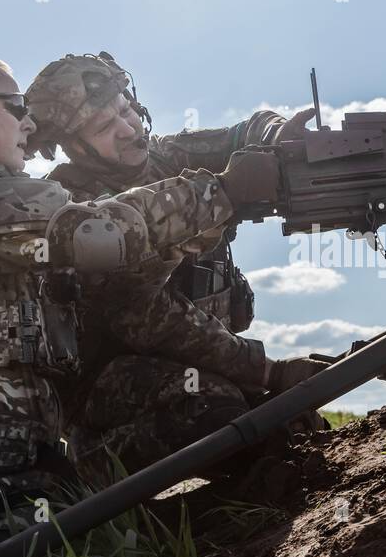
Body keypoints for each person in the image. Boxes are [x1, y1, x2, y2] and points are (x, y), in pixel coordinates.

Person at [0, 51, 282, 557]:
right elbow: (99, 230)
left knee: (139, 549)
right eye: (14, 107)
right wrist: (224, 191)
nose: (28, 122)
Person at [24, 53, 327, 489]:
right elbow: (143, 317)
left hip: (197, 359)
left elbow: (246, 131)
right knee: (213, 408)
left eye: (126, 110)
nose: (128, 129)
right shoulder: (74, 214)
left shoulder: (171, 156)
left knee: (288, 424)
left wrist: (277, 134)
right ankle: (93, 466)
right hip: (112, 379)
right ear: (73, 145)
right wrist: (266, 371)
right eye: (104, 127)